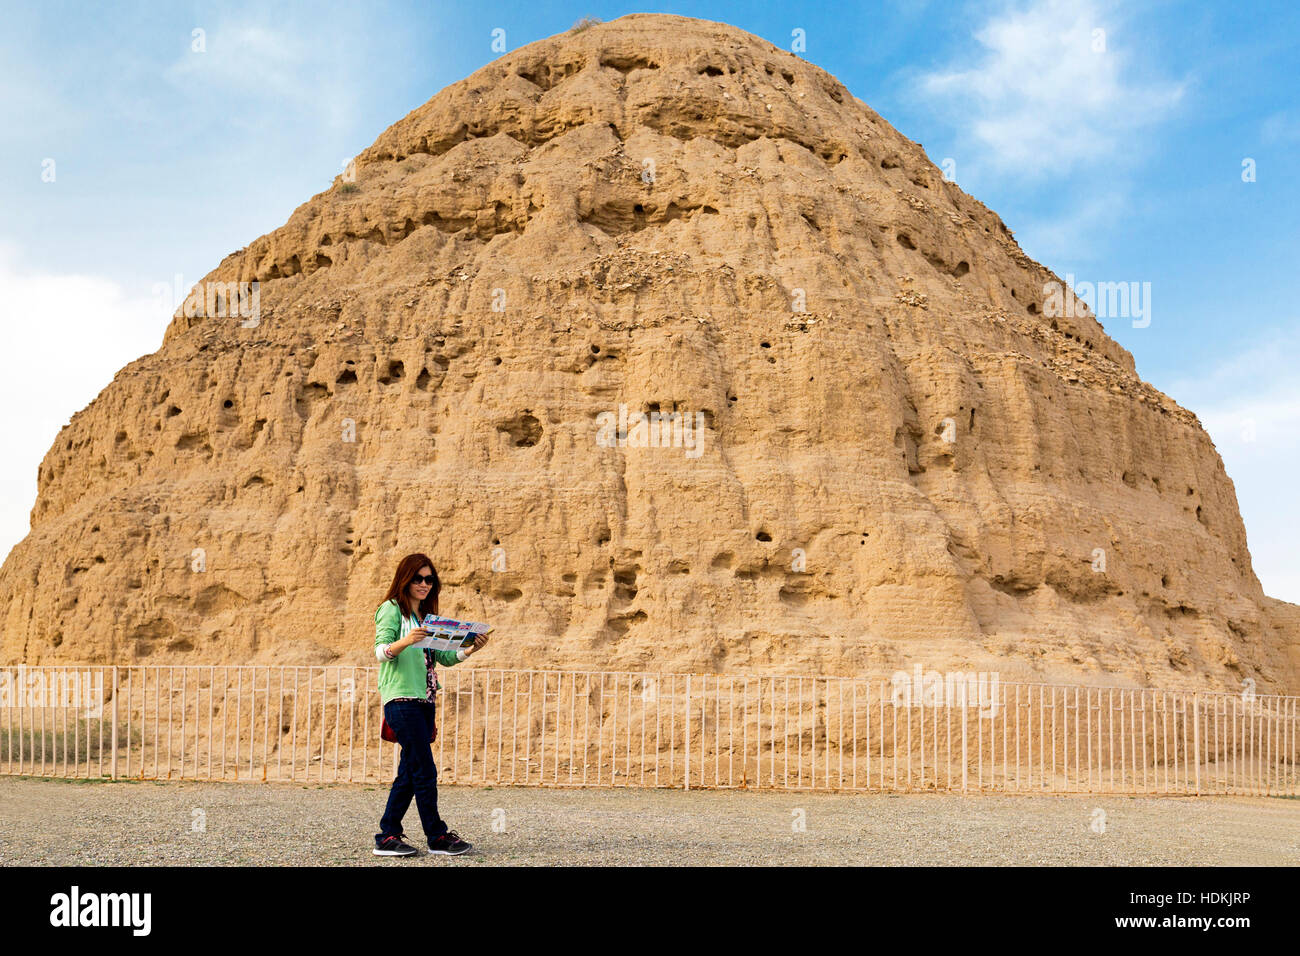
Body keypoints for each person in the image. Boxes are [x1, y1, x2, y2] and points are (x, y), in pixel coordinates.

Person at [372, 553, 489, 857]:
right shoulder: (391, 610)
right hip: (400, 699)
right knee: (424, 769)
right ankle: (436, 835)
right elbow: (381, 652)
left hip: (425, 700)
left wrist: (469, 649)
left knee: (410, 771)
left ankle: (387, 835)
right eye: (418, 578)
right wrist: (408, 640)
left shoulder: (427, 618)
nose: (424, 584)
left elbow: (444, 659)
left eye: (429, 579)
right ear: (405, 579)